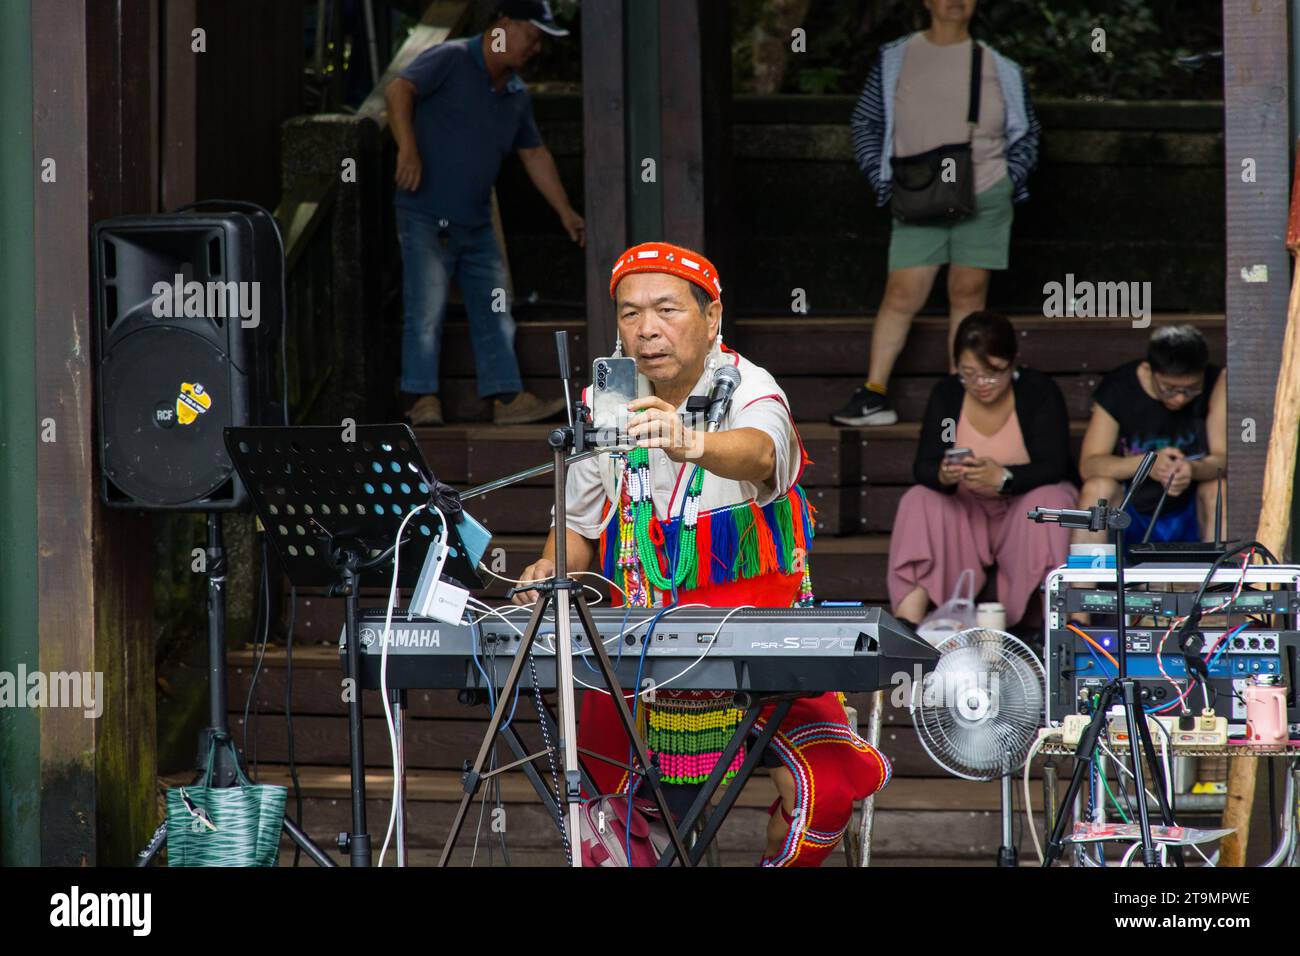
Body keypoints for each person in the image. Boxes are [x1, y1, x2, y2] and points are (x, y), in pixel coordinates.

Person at [514, 242, 890, 866]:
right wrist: (552, 567)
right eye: (630, 314)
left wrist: (693, 442)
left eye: (666, 309)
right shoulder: (603, 405)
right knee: (598, 809)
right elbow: (576, 527)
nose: (646, 329)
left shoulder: (750, 386)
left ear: (712, 317)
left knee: (821, 787)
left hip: (762, 655)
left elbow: (763, 455)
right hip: (638, 661)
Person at [834, 0, 1040, 426]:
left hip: (985, 192)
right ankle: (873, 393)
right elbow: (866, 123)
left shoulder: (1000, 65)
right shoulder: (896, 57)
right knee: (902, 292)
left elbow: (1026, 133)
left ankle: (955, 397)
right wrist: (884, 180)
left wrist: (1007, 181)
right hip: (917, 192)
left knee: (969, 292)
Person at [386, 0, 583, 427]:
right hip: (425, 214)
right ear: (504, 26)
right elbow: (399, 88)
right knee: (425, 309)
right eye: (532, 36)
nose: (535, 49)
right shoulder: (451, 57)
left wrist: (565, 211)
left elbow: (533, 152)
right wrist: (408, 148)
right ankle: (422, 399)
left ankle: (508, 398)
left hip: (476, 221)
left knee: (496, 306)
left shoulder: (515, 93)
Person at [889, 312, 1075, 628]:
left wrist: (1004, 478)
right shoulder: (948, 394)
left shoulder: (1037, 390)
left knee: (1053, 500)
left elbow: (1055, 464)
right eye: (969, 373)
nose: (980, 384)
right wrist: (943, 475)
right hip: (965, 512)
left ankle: (1059, 628)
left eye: (993, 373)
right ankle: (907, 627)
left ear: (1013, 363)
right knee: (919, 499)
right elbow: (924, 465)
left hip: (1023, 510)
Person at [1073, 324, 1227, 546]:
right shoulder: (1120, 388)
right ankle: (1084, 581)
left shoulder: (1215, 383)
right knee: (1097, 489)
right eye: (1169, 389)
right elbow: (1090, 465)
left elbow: (1222, 458)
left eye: (1191, 389)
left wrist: (1193, 469)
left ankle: (1221, 579)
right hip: (1130, 515)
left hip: (1191, 513)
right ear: (1148, 370)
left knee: (1218, 488)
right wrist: (1148, 465)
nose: (1179, 399)